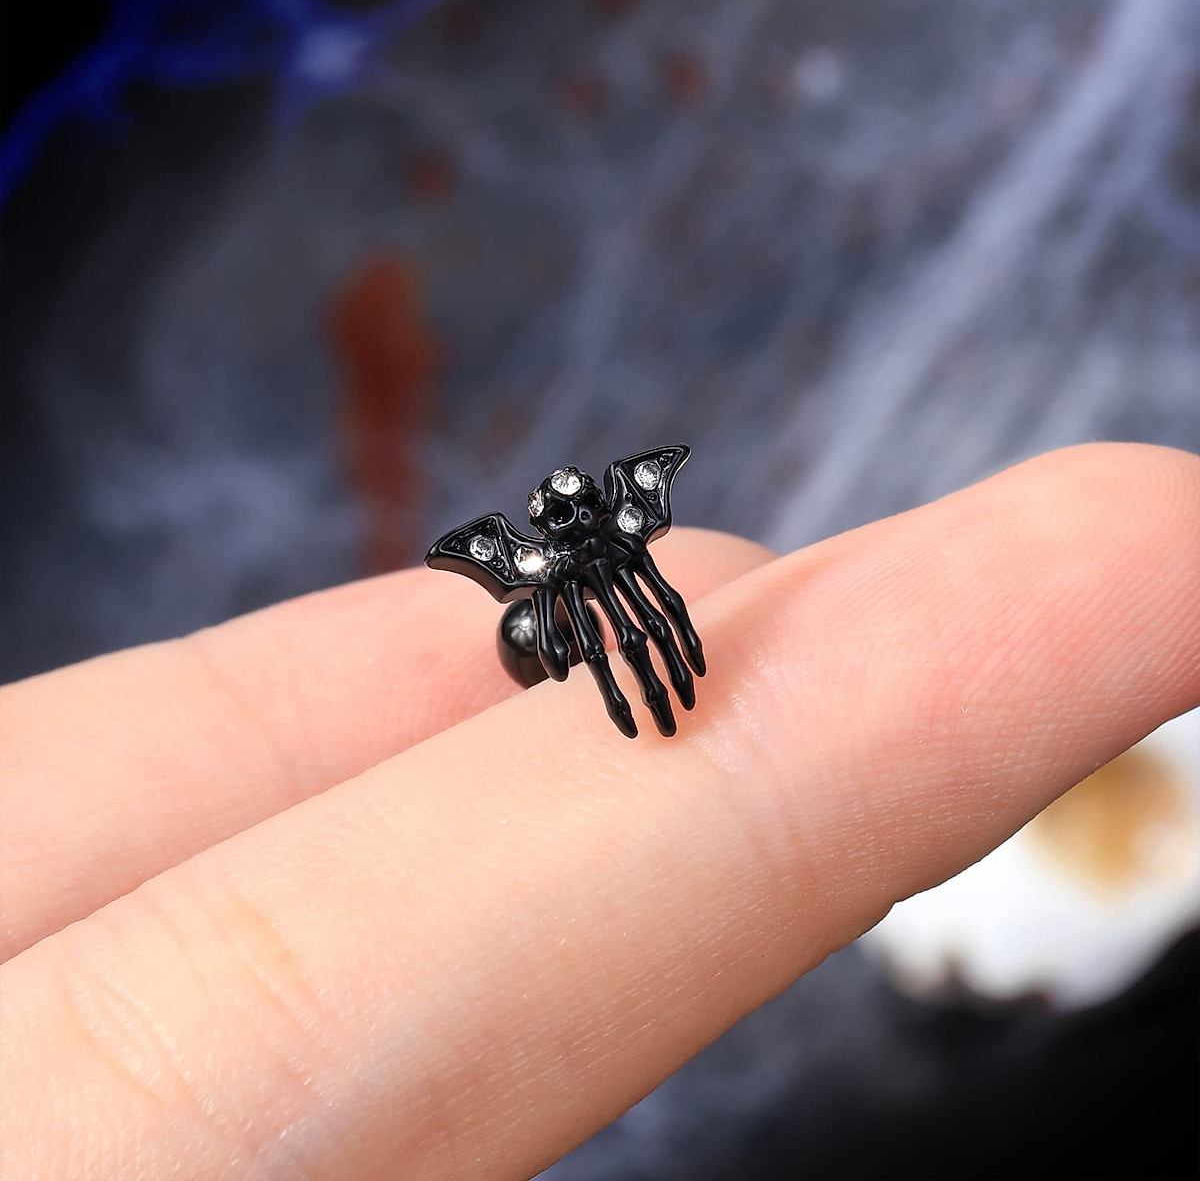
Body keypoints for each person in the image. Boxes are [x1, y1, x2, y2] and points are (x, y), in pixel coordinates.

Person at [2, 443, 1197, 1180]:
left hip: (636, 621)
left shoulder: (623, 527)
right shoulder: (539, 579)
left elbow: (646, 569)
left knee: (668, 623)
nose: (573, 512)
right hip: (568, 633)